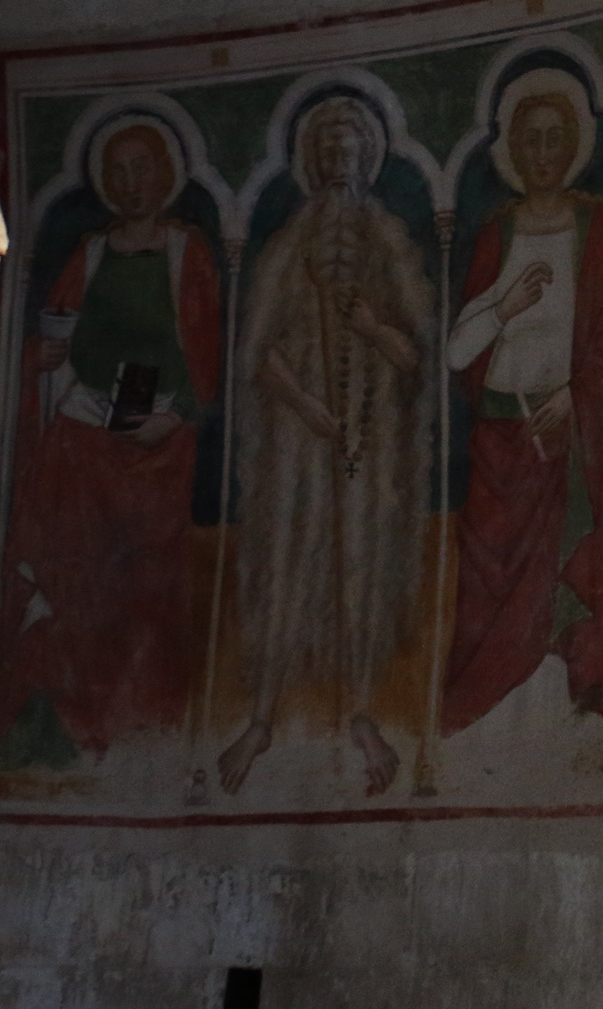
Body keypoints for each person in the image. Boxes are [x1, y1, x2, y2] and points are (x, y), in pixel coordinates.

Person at [217, 94, 434, 796]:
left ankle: (362, 714)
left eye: (351, 149)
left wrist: (373, 328)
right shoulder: (289, 244)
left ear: (366, 159)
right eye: (329, 149)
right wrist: (306, 404)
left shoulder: (388, 242)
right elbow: (256, 354)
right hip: (297, 437)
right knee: (287, 564)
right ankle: (261, 718)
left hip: (369, 439)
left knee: (361, 567)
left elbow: (414, 356)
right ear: (313, 161)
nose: (340, 161)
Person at [0, 117, 221, 763]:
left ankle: (144, 724)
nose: (131, 184)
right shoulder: (90, 254)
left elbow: (206, 355)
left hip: (159, 446)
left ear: (166, 174)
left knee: (148, 587)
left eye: (142, 168)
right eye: (117, 172)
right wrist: (44, 353)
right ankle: (70, 715)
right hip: (86, 441)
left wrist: (174, 417)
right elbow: (52, 342)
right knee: (78, 579)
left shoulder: (186, 251)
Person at [441, 68, 603, 734]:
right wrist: (505, 311)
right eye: (529, 141)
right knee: (491, 577)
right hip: (503, 436)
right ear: (513, 151)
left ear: (572, 148)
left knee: (574, 569)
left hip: (570, 435)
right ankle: (491, 709)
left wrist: (577, 397)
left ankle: (577, 699)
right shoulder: (496, 236)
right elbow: (463, 352)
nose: (541, 153)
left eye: (554, 139)